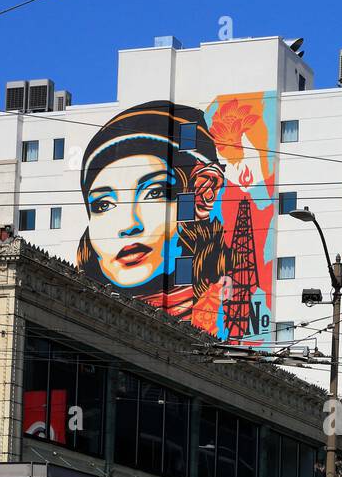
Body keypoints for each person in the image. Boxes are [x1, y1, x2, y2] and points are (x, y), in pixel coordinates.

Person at [75, 101, 231, 333]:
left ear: (204, 190)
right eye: (103, 205)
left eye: (155, 193)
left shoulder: (225, 301)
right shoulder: (80, 321)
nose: (129, 225)